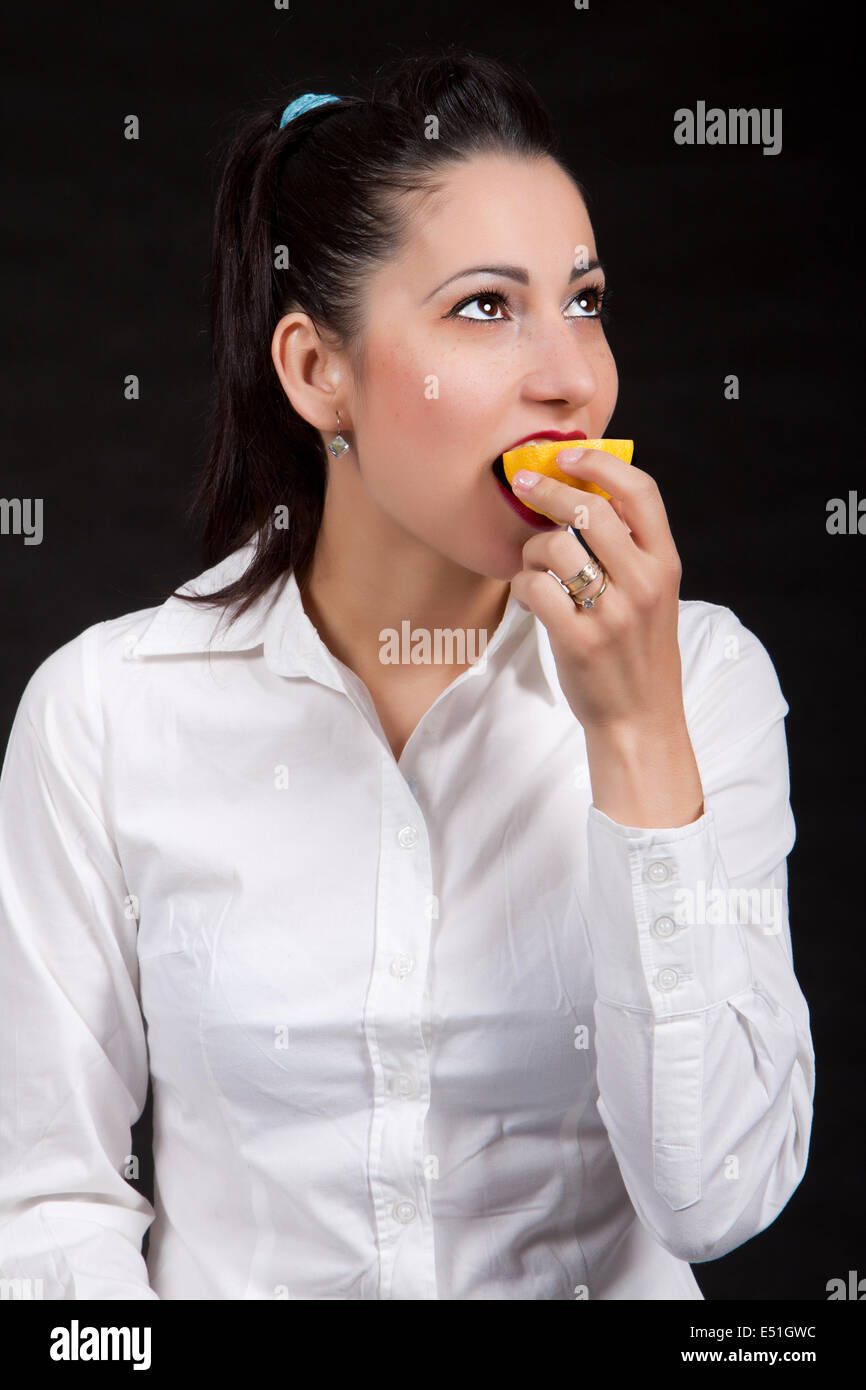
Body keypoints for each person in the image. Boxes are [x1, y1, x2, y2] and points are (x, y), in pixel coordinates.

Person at [0, 48, 814, 1300]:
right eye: (485, 307)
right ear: (317, 371)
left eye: (584, 300)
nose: (571, 377)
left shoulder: (701, 679)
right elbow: (44, 1203)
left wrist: (638, 732)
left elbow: (714, 1200)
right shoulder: (106, 713)